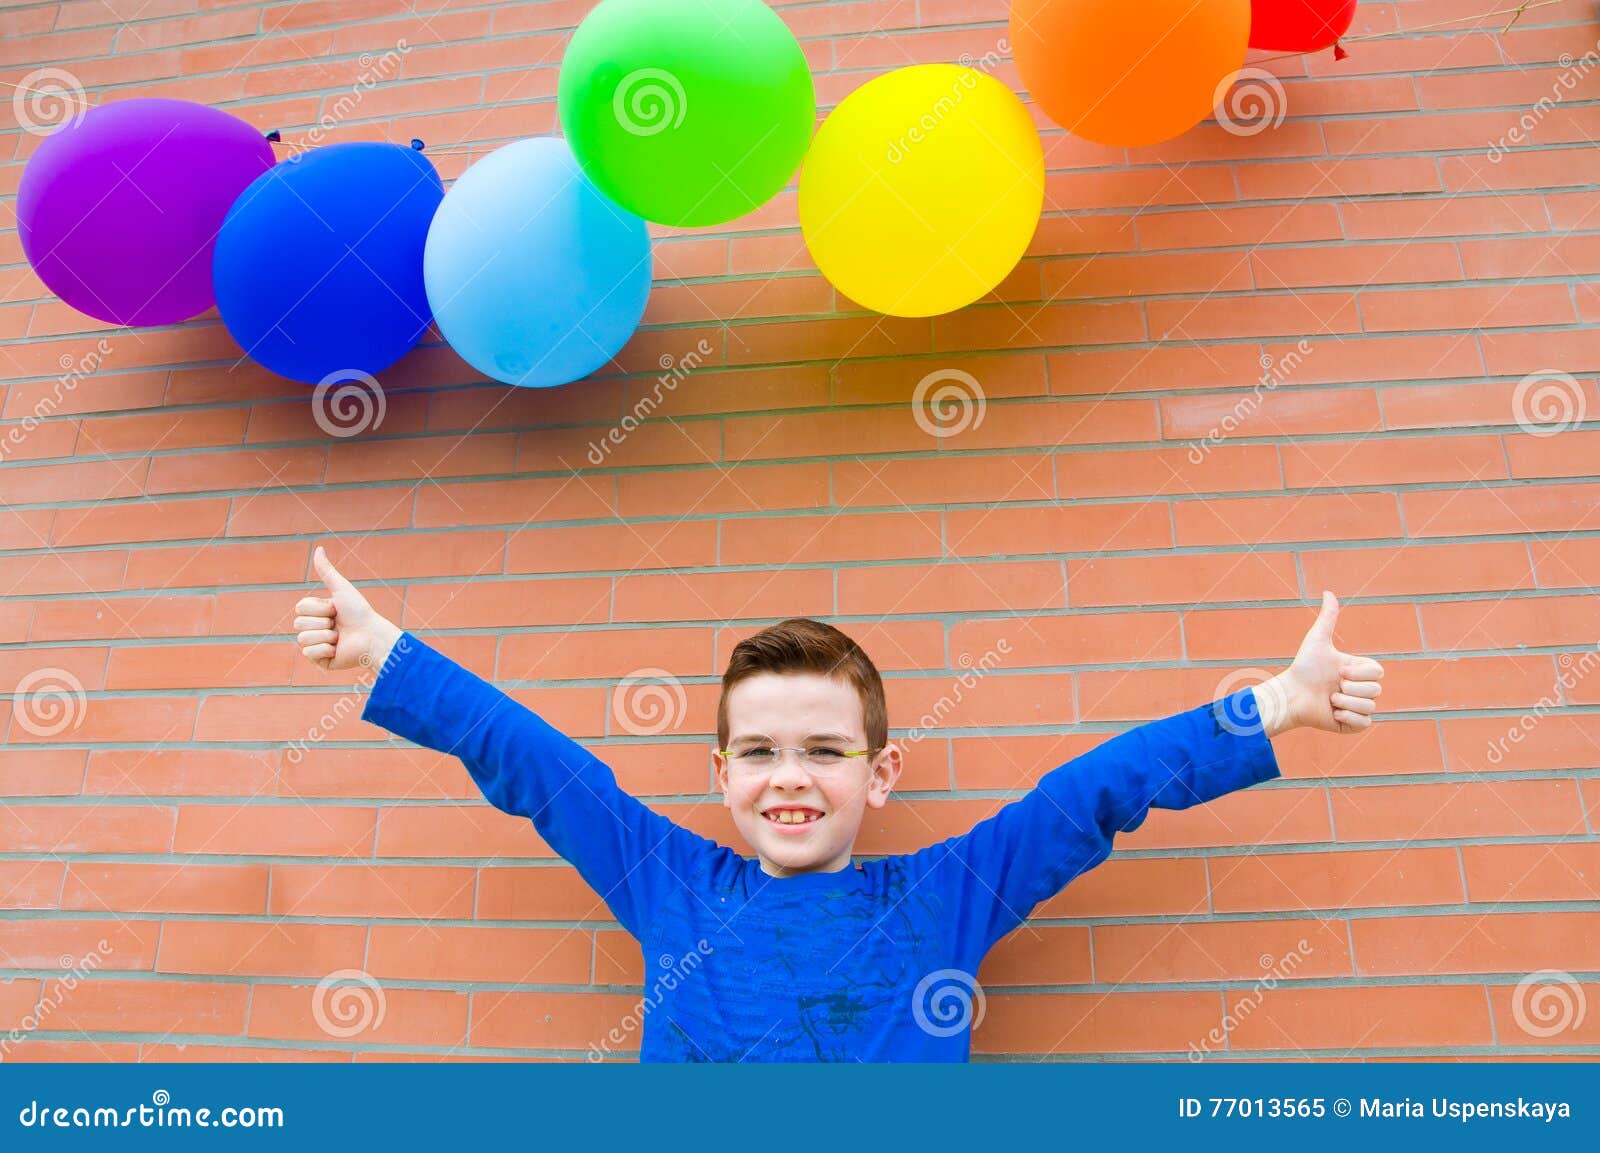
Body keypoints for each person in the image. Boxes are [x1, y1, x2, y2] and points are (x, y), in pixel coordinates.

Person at [292, 544, 1384, 1061]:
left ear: (880, 772)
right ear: (720, 773)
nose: (791, 777)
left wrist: (1274, 704)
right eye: (759, 752)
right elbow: (538, 768)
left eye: (824, 749)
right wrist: (386, 651)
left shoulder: (944, 897)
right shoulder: (671, 880)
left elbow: (1090, 797)